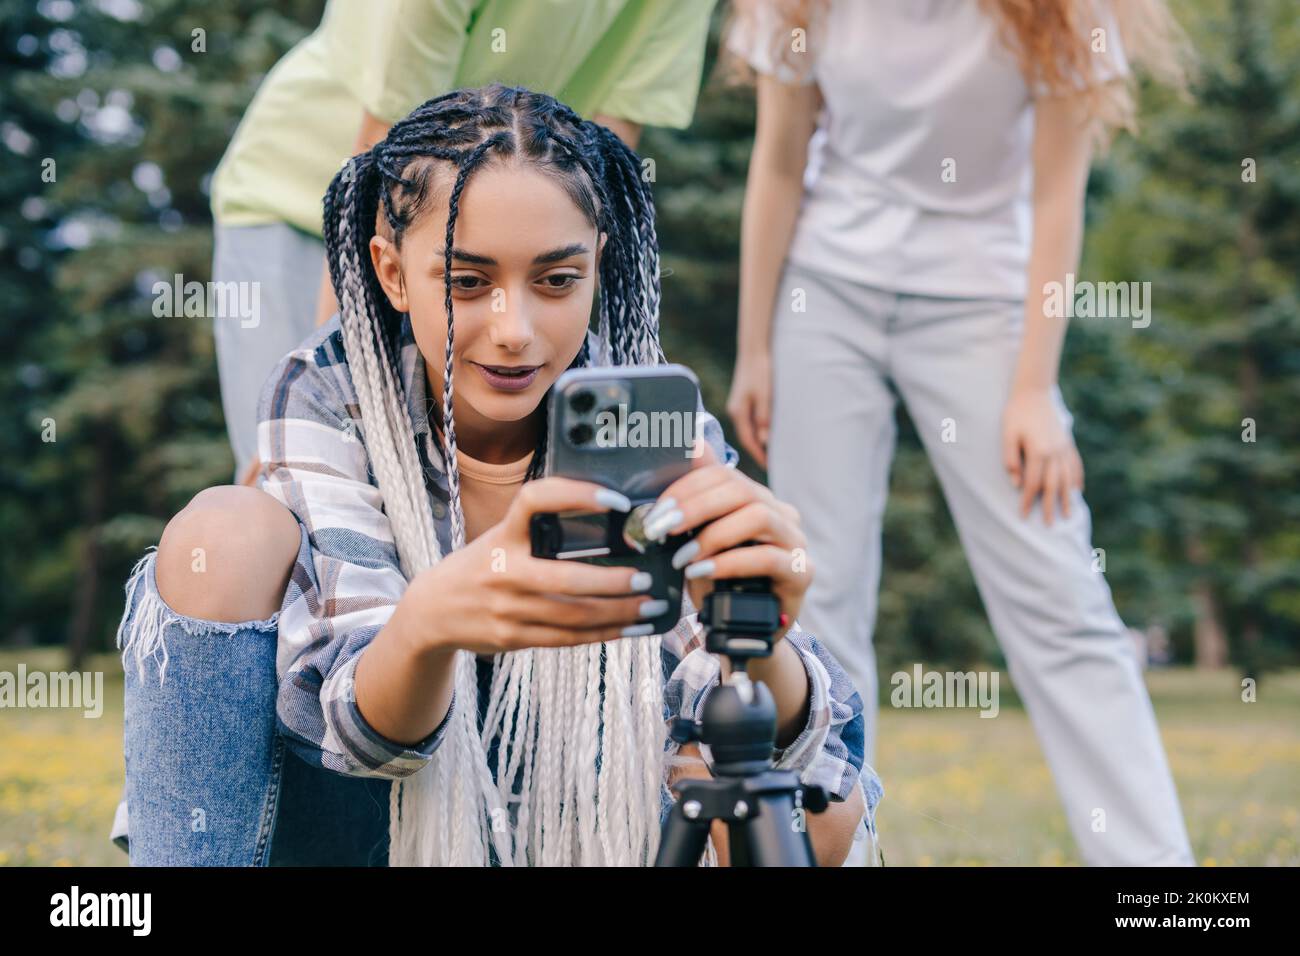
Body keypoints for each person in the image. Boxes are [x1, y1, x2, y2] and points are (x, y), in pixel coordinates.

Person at [113, 84, 883, 866]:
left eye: (556, 281)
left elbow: (814, 813)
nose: (514, 331)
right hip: (373, 812)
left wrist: (757, 633)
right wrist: (430, 625)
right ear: (392, 273)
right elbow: (365, 741)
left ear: (597, 266)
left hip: (579, 818)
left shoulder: (645, 418)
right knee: (223, 531)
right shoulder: (331, 391)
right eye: (467, 281)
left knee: (831, 794)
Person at [723, 0, 1195, 865]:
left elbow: (1058, 193)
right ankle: (841, 854)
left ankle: (1156, 880)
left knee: (1062, 599)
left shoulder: (1065, 13)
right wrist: (755, 348)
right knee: (816, 598)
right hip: (826, 292)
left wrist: (1034, 391)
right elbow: (781, 161)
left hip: (983, 302)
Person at [209, 0, 719, 485]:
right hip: (305, 204)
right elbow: (374, 176)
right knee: (295, 475)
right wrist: (333, 398)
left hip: (501, 237)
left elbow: (603, 157)